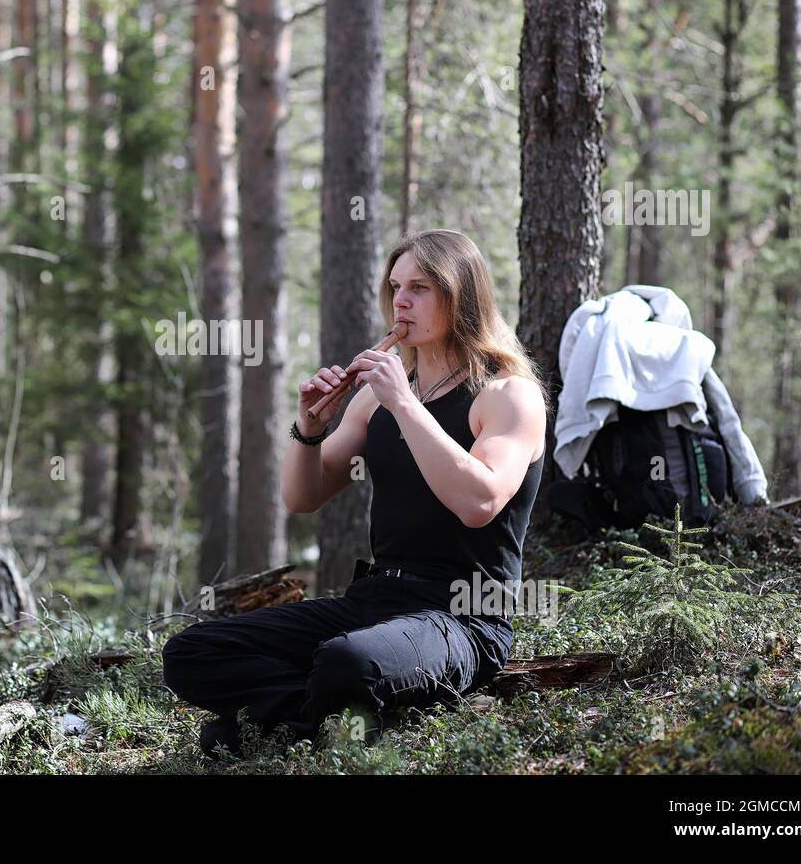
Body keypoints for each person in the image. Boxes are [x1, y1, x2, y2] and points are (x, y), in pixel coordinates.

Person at [161, 229, 549, 760]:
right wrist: (308, 428)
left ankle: (268, 726)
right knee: (190, 652)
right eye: (394, 287)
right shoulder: (375, 399)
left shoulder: (508, 395)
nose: (401, 302)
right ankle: (307, 719)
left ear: (461, 296)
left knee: (350, 663)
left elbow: (478, 502)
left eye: (420, 288)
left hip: (464, 614)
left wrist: (405, 405)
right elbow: (304, 496)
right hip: (374, 601)